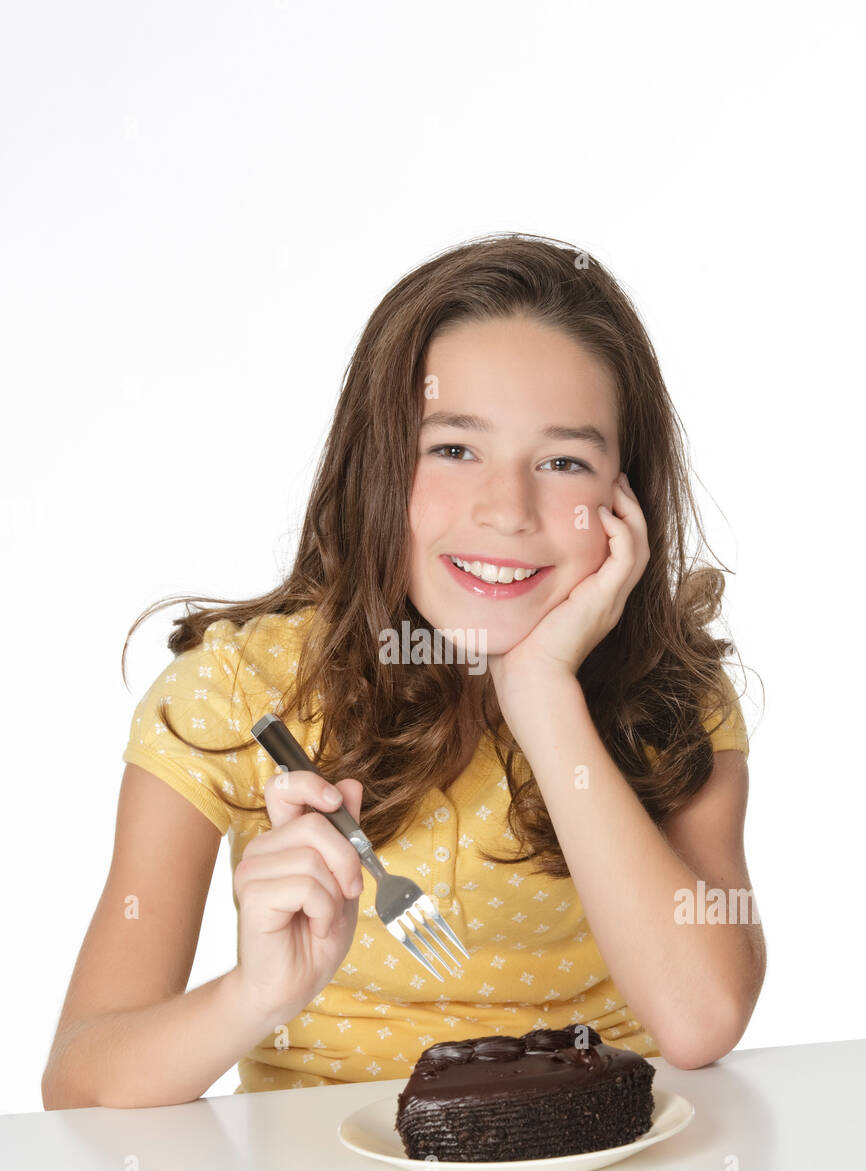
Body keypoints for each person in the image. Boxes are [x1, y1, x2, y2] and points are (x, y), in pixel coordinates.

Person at [42, 232, 764, 1108]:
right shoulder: (240, 693)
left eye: (564, 462)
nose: (507, 510)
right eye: (454, 449)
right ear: (376, 467)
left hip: (601, 1160)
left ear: (625, 500)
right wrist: (254, 995)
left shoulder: (672, 699)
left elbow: (701, 1018)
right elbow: (80, 1087)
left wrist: (542, 694)